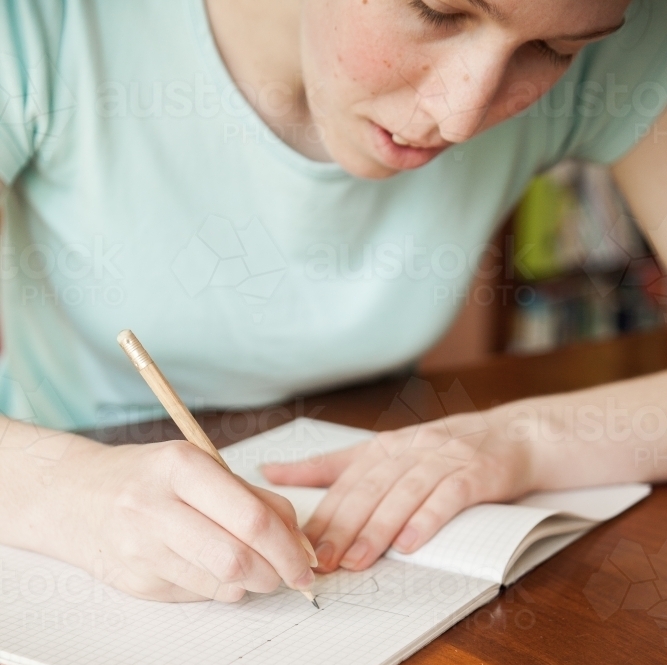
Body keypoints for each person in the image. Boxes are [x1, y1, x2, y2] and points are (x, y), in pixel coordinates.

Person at [0, 0, 666, 602]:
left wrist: (522, 439)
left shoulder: (608, 22)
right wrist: (70, 495)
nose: (461, 113)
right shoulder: (43, 23)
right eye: (437, 11)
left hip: (371, 453)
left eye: (555, 52)